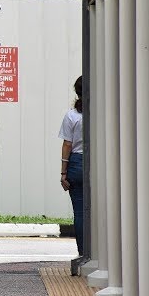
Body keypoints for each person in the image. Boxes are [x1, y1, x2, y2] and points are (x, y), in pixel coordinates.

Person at [57, 75, 87, 256]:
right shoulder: (102, 113)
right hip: (98, 163)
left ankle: (83, 253)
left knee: (80, 211)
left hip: (76, 163)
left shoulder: (72, 116)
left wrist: (63, 173)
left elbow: (67, 144)